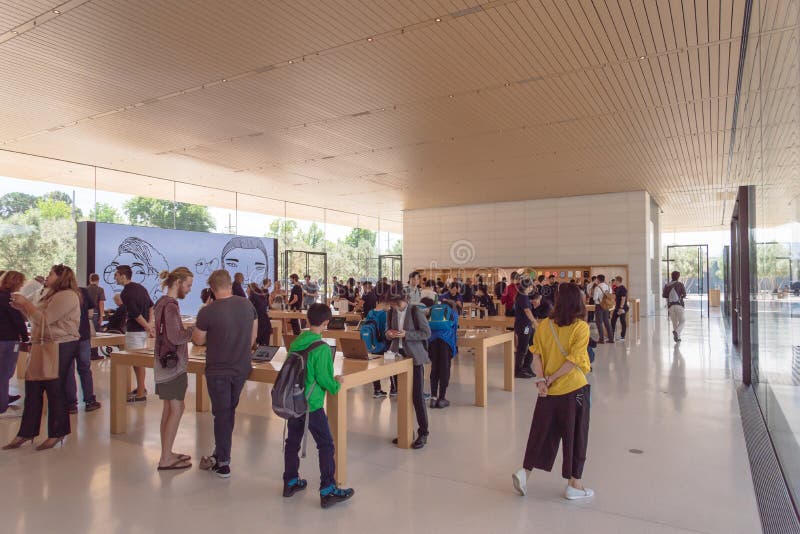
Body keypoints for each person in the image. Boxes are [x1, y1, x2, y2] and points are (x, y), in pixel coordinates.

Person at [512, 283, 593, 500]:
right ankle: (574, 483)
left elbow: (536, 356)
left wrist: (542, 381)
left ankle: (525, 473)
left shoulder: (545, 325)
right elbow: (573, 361)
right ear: (578, 301)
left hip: (547, 392)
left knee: (540, 432)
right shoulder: (581, 327)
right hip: (574, 389)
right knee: (576, 435)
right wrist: (552, 378)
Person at [283, 303, 355, 508]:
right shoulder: (321, 347)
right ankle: (327, 489)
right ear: (326, 323)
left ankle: (290, 481)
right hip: (312, 404)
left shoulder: (298, 341)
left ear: (307, 320)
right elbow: (324, 378)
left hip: (294, 401)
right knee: (326, 444)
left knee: (292, 442)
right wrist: (336, 384)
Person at [4, 264, 81, 451]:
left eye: (51, 274)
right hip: (42, 344)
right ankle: (26, 432)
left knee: (55, 387)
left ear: (61, 277)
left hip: (61, 345)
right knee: (33, 387)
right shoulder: (45, 293)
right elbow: (34, 318)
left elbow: (44, 319)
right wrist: (22, 307)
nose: (47, 277)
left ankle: (57, 432)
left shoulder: (68, 296)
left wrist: (26, 304)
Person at [194, 269, 257, 478]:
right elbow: (253, 333)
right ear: (230, 285)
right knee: (228, 411)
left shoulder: (207, 311)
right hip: (241, 367)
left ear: (211, 289)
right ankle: (221, 452)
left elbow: (198, 340)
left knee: (221, 414)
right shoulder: (247, 305)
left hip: (218, 369)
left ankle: (223, 461)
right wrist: (245, 349)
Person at [153, 267, 195, 471]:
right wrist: (192, 331)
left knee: (169, 409)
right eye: (187, 285)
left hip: (163, 363)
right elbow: (175, 337)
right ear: (177, 282)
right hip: (172, 366)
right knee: (177, 408)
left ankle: (166, 453)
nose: (188, 290)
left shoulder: (161, 303)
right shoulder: (170, 306)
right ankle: (165, 458)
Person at [386, 285, 431, 449]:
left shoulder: (415, 311)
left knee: (417, 397)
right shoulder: (391, 312)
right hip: (397, 357)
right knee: (402, 396)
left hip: (414, 358)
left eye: (396, 303)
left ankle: (423, 432)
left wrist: (407, 335)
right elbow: (386, 330)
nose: (394, 307)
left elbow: (426, 333)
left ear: (404, 300)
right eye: (392, 304)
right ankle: (406, 432)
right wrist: (389, 334)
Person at [115, 265, 154, 403]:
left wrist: (148, 326)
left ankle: (141, 393)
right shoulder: (141, 288)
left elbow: (135, 314)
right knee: (138, 361)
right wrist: (150, 323)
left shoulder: (125, 293)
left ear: (123, 276)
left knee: (137, 362)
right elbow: (151, 306)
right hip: (142, 331)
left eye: (117, 275)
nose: (115, 278)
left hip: (135, 331)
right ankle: (140, 388)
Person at [65, 286, 101, 413]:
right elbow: (91, 310)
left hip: (68, 336)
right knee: (85, 368)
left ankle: (71, 403)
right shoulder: (82, 292)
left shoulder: (62, 294)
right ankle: (89, 400)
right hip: (83, 335)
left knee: (68, 369)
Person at [0, 271, 28, 417]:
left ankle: (4, 398)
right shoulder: (10, 300)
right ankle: (2, 407)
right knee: (5, 372)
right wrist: (25, 337)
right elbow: (18, 320)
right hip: (8, 340)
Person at [429, 300, 458, 409]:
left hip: (433, 342)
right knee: (444, 369)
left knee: (434, 368)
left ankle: (433, 398)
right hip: (446, 343)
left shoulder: (433, 310)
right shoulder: (453, 312)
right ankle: (442, 398)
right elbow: (454, 330)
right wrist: (454, 349)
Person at [513, 277, 538, 378]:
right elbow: (527, 311)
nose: (532, 287)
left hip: (527, 326)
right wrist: (535, 322)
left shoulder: (525, 296)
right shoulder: (523, 297)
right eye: (531, 285)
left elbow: (527, 308)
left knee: (532, 345)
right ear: (527, 287)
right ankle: (518, 370)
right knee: (522, 348)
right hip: (523, 326)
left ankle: (526, 366)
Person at [85, 273, 105, 360]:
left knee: (87, 333)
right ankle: (94, 354)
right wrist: (102, 315)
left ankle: (87, 353)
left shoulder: (85, 289)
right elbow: (101, 303)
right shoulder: (100, 289)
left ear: (90, 279)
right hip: (95, 312)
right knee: (95, 333)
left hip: (86, 313)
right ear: (98, 280)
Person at [663, 271, 687, 343]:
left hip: (670, 306)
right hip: (679, 305)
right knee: (682, 321)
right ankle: (676, 332)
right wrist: (681, 296)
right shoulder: (680, 284)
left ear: (671, 276)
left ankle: (677, 337)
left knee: (674, 322)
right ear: (678, 277)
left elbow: (664, 295)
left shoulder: (667, 285)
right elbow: (684, 294)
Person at [248, 281, 272, 345]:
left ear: (251, 289)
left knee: (254, 346)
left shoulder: (252, 296)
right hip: (266, 323)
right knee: (264, 348)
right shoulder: (261, 295)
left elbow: (249, 311)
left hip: (260, 324)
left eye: (247, 289)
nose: (246, 291)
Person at [591, 274, 612, 343]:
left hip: (599, 306)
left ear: (598, 279)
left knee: (599, 322)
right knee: (606, 322)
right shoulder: (609, 287)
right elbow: (610, 295)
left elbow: (595, 298)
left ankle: (601, 339)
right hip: (606, 306)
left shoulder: (597, 287)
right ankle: (611, 338)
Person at [611, 275, 628, 342]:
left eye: (615, 280)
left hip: (622, 307)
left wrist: (621, 308)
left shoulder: (623, 288)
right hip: (617, 307)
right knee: (613, 320)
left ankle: (622, 337)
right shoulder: (617, 288)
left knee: (622, 321)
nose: (614, 281)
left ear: (617, 281)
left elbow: (623, 298)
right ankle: (611, 335)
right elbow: (613, 293)